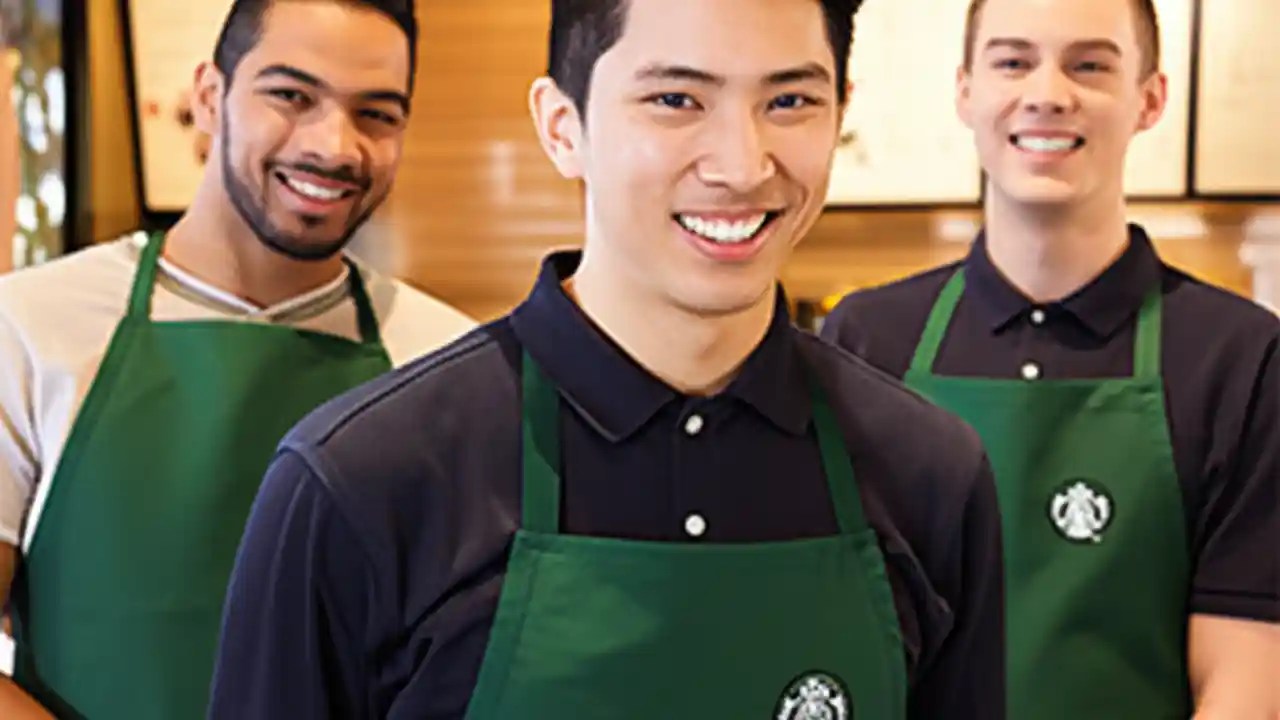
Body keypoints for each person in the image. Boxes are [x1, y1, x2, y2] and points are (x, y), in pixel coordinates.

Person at [207, 0, 1008, 718]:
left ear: (841, 116)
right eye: (675, 100)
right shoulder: (360, 481)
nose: (741, 164)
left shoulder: (929, 472)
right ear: (563, 127)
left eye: (790, 101)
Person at [0, 0, 475, 717]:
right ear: (209, 96)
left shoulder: (449, 363)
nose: (335, 146)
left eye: (377, 113)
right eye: (292, 95)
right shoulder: (30, 325)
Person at [821, 0, 1279, 717]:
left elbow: (1245, 680)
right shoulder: (864, 342)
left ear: (1149, 99)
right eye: (1013, 61)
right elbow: (831, 632)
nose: (1047, 93)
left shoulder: (1240, 358)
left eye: (1089, 65)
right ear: (965, 90)